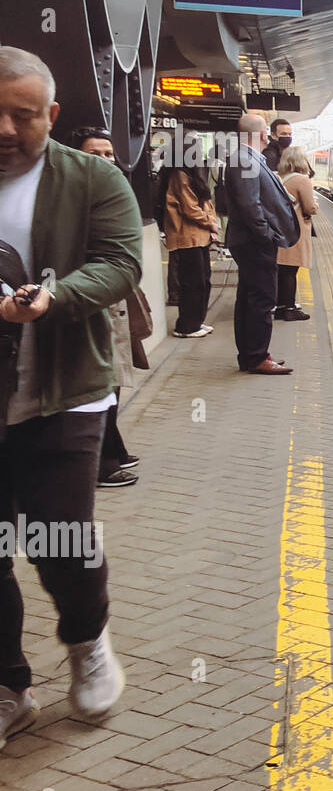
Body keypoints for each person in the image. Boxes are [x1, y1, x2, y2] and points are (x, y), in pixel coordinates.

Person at [0, 47, 141, 743]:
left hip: (64, 392)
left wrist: (54, 299)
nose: (3, 127)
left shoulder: (92, 177)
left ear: (49, 115)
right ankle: (9, 685)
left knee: (62, 541)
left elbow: (119, 262)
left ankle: (86, 641)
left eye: (20, 115)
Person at [72, 127, 151, 490]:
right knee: (104, 383)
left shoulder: (111, 194)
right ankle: (102, 466)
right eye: (95, 153)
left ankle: (113, 450)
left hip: (115, 304)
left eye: (109, 154)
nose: (105, 160)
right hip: (91, 306)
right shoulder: (72, 198)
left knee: (114, 382)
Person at [223, 113, 298, 375]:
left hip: (250, 241)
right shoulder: (245, 159)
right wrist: (266, 234)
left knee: (249, 297)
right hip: (254, 242)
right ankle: (256, 357)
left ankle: (251, 355)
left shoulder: (249, 158)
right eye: (268, 130)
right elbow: (249, 204)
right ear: (263, 134)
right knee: (262, 299)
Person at [159, 139, 219, 338]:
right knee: (192, 282)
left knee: (203, 281)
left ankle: (197, 322)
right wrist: (210, 222)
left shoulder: (191, 172)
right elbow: (189, 208)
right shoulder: (179, 174)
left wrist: (211, 220)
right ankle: (186, 326)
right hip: (187, 235)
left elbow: (205, 202)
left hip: (199, 236)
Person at [274, 144, 318, 322]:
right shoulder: (302, 180)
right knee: (291, 270)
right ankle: (290, 308)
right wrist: (315, 206)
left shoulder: (278, 177)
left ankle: (280, 306)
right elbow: (309, 207)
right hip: (295, 229)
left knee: (281, 269)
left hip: (279, 228)